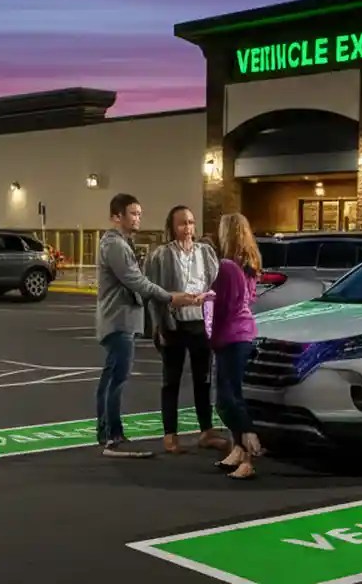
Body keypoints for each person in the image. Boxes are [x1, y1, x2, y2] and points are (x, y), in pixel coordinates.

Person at [95, 193, 200, 458]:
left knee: (111, 377)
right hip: (118, 320)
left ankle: (108, 433)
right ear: (116, 216)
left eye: (139, 213)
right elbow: (136, 282)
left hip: (120, 319)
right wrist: (170, 297)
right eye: (132, 213)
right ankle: (112, 438)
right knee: (116, 379)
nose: (138, 218)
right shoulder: (115, 245)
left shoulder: (121, 243)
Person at [144, 205, 229, 454]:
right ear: (171, 227)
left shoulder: (206, 252)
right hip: (174, 324)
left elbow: (216, 285)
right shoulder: (160, 255)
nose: (188, 228)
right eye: (182, 223)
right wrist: (158, 324)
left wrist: (208, 298)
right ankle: (170, 434)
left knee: (203, 379)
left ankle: (207, 431)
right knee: (171, 380)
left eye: (191, 223)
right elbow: (151, 292)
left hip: (200, 323)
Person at [208, 212, 263, 479]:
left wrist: (208, 331)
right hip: (243, 333)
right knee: (227, 397)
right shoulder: (249, 263)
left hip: (231, 335)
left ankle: (249, 446)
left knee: (229, 398)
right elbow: (248, 299)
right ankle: (238, 450)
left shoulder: (227, 267)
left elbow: (222, 306)